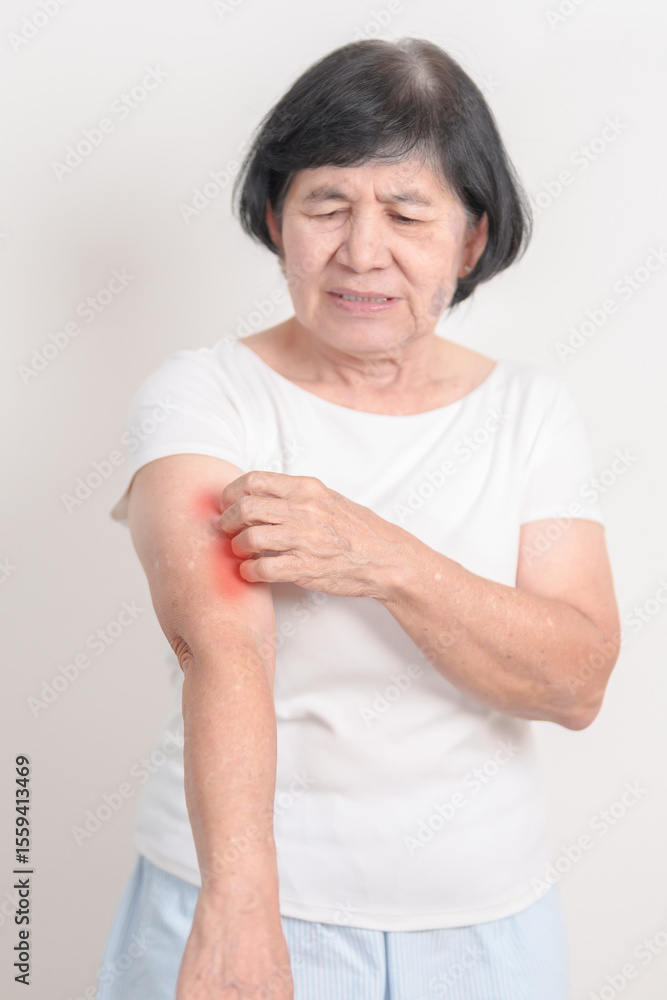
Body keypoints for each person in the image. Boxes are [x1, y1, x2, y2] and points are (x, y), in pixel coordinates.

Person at [97, 36, 620, 1000]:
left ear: (470, 238)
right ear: (273, 216)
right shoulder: (203, 400)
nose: (361, 252)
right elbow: (224, 649)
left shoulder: (530, 411)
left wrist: (383, 556)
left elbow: (575, 680)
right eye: (326, 206)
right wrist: (241, 915)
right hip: (239, 904)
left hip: (487, 927)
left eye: (407, 212)